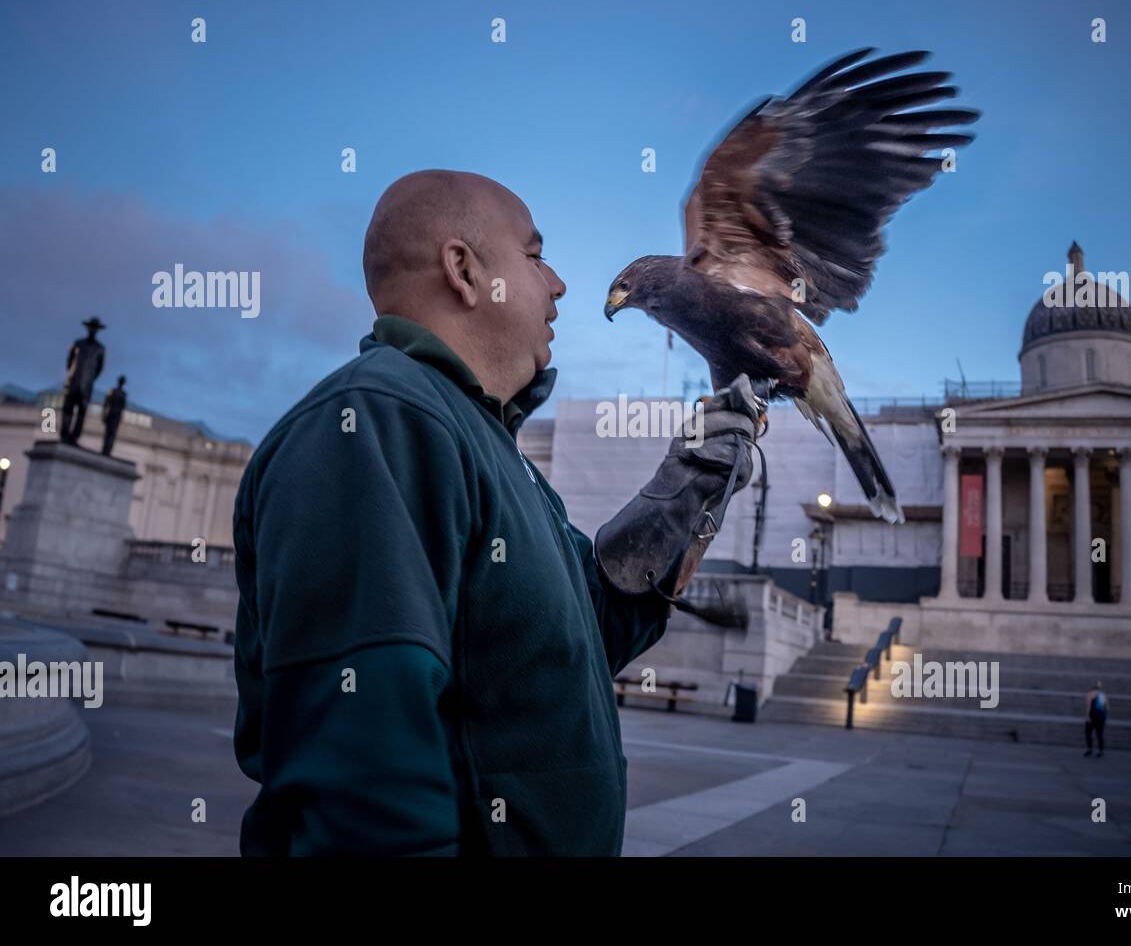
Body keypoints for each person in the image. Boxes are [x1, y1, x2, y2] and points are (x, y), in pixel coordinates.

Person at [232, 169, 759, 856]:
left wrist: (688, 492)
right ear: (465, 271)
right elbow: (367, 777)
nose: (560, 283)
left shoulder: (485, 447)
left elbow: (582, 638)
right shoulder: (375, 422)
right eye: (536, 256)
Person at [61, 317, 106, 445]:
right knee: (67, 408)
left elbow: (99, 368)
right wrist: (72, 375)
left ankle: (75, 436)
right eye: (91, 327)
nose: (93, 330)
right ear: (87, 328)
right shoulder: (78, 343)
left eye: (95, 328)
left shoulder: (100, 348)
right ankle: (64, 434)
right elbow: (69, 361)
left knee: (81, 412)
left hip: (86, 385)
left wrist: (90, 379)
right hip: (73, 381)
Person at [101, 376, 127, 457]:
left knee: (110, 434)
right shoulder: (120, 393)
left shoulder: (118, 392)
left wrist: (104, 413)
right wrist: (104, 414)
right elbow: (106, 403)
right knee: (110, 434)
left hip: (114, 416)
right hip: (113, 415)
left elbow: (122, 407)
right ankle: (106, 450)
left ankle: (107, 450)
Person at [1084, 680, 1108, 757]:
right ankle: (1101, 751)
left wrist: (1087, 716)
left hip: (1092, 716)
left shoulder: (1090, 694)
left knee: (1088, 733)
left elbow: (1088, 706)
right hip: (1101, 716)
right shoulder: (1103, 695)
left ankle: (1089, 749)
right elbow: (1107, 707)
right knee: (1100, 734)